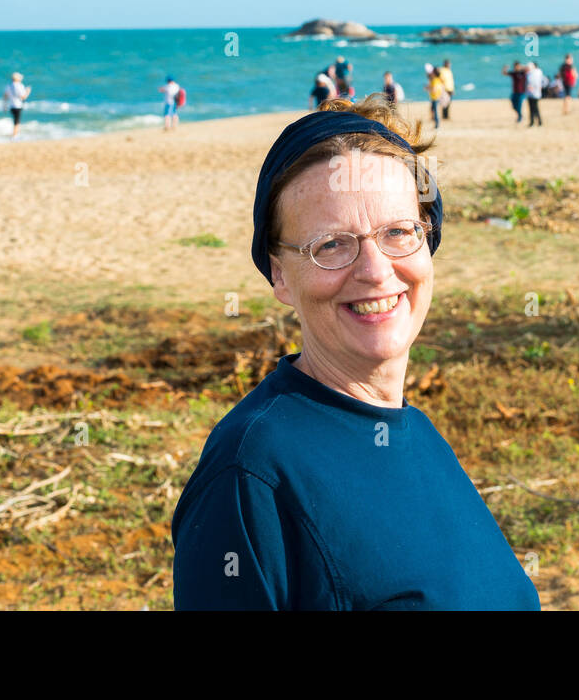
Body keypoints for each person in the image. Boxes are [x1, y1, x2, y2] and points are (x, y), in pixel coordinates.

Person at [170, 98, 541, 610]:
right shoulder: (251, 473)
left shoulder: (417, 433)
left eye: (397, 233)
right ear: (279, 273)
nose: (374, 270)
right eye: (331, 245)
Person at [6, 72, 32, 138]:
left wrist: (4, 105)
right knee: (17, 122)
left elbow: (5, 96)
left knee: (15, 121)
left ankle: (14, 135)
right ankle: (14, 136)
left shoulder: (9, 85)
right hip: (17, 105)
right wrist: (28, 91)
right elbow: (23, 97)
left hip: (11, 105)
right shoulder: (19, 85)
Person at [524, 61, 545, 126]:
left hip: (534, 93)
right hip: (533, 93)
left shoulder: (534, 73)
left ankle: (537, 122)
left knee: (534, 108)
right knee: (533, 108)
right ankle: (535, 121)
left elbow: (534, 83)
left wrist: (532, 87)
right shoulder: (537, 72)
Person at [424, 63, 444, 128]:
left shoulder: (435, 80)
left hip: (435, 97)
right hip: (435, 97)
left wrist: (427, 88)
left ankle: (437, 124)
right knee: (433, 110)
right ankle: (435, 123)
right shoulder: (437, 79)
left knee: (435, 111)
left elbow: (434, 89)